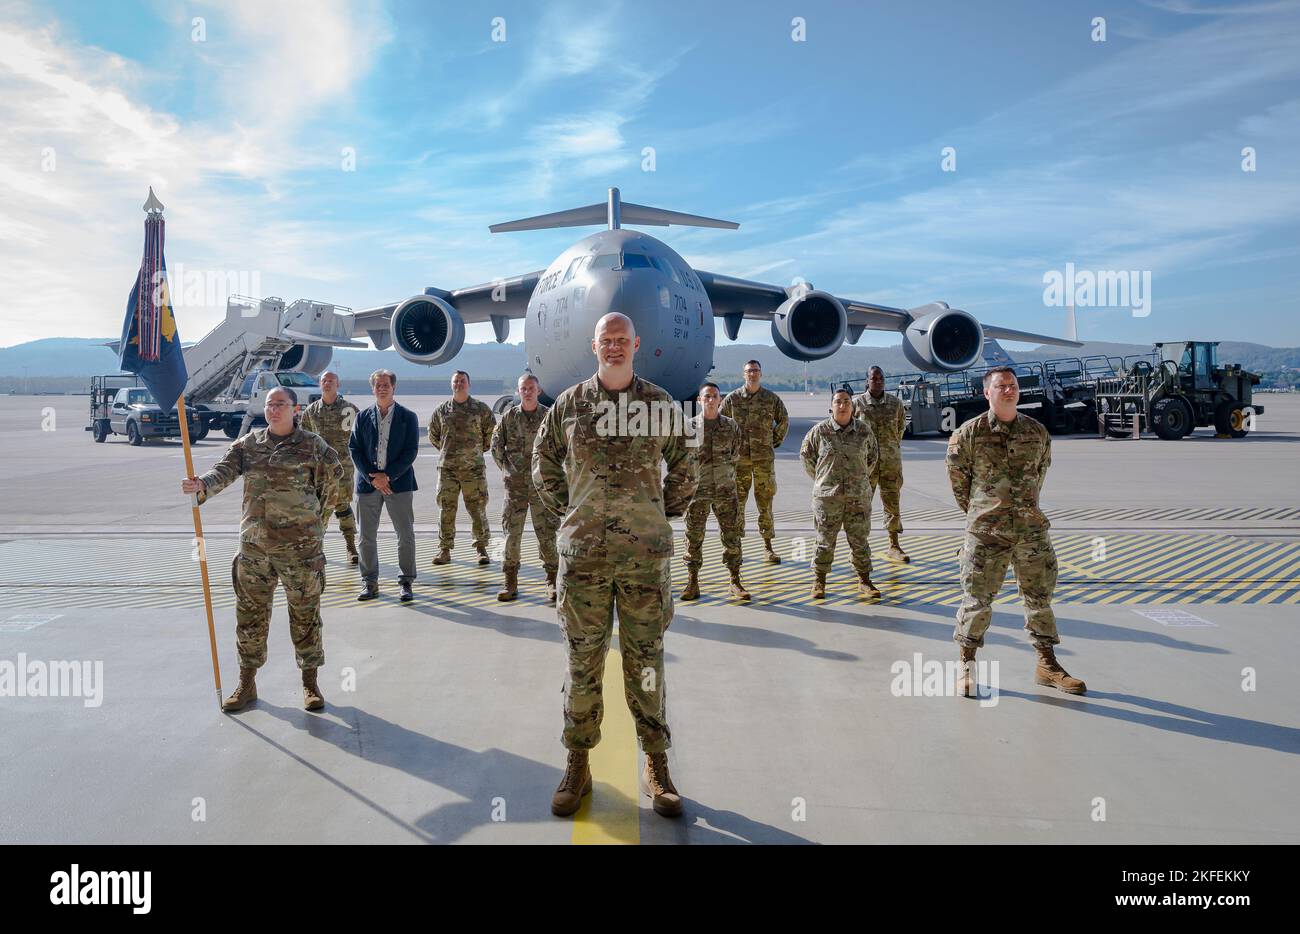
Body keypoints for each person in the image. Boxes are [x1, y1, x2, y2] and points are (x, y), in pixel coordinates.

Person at [534, 312, 697, 819]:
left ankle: (656, 763)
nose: (614, 347)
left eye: (622, 340)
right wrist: (573, 514)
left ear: (636, 344)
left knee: (646, 663)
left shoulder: (659, 405)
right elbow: (542, 461)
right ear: (594, 346)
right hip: (582, 561)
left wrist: (660, 514)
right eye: (606, 340)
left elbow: (687, 462)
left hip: (644, 563)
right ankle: (577, 762)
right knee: (581, 663)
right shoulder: (569, 405)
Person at [181, 386, 344, 712]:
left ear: (295, 409)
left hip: (301, 552)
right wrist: (202, 485)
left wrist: (314, 529)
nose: (274, 410)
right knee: (250, 618)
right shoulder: (249, 444)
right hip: (255, 551)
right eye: (270, 405)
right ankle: (246, 684)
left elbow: (331, 487)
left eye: (281, 404)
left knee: (305, 616)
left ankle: (310, 684)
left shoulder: (313, 447)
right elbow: (223, 471)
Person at [946, 366, 1086, 697]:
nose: (1008, 390)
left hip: (1030, 531)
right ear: (987, 393)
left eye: (1012, 385)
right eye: (1001, 386)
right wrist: (983, 512)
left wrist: (1022, 511)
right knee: (978, 600)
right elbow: (958, 482)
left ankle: (1047, 664)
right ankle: (966, 664)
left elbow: (1039, 474)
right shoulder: (968, 434)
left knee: (1040, 599)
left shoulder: (1037, 433)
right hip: (986, 533)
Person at [799, 387, 881, 600]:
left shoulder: (864, 431)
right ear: (831, 406)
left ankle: (864, 580)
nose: (842, 405)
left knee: (860, 540)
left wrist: (858, 480)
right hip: (828, 499)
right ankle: (819, 581)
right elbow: (807, 458)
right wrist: (823, 481)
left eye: (846, 401)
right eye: (838, 402)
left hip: (858, 497)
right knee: (824, 541)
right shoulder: (819, 431)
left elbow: (872, 458)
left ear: (853, 406)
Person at [349, 369, 421, 602]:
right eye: (378, 385)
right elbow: (354, 449)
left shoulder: (408, 417)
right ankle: (369, 582)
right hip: (367, 485)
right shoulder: (361, 417)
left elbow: (410, 451)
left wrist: (387, 476)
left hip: (398, 484)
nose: (382, 388)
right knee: (366, 536)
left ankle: (406, 582)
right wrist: (373, 479)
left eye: (386, 385)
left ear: (393, 387)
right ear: (373, 388)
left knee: (405, 534)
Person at [491, 373, 559, 603]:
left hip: (542, 489)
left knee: (547, 536)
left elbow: (560, 448)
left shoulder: (548, 417)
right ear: (518, 391)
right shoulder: (509, 417)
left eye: (531, 388)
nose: (527, 392)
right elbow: (496, 447)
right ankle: (510, 582)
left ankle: (552, 581)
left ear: (538, 391)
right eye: (523, 388)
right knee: (511, 536)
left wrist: (550, 474)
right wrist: (508, 471)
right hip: (516, 490)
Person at [681, 382, 749, 601]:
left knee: (732, 536)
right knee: (693, 537)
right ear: (700, 400)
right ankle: (692, 583)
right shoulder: (689, 427)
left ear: (720, 400)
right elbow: (681, 460)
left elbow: (736, 454)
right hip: (697, 492)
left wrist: (724, 475)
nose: (711, 400)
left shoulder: (731, 427)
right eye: (706, 397)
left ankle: (735, 581)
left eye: (714, 396)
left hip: (725, 491)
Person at [720, 360, 788, 564]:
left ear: (761, 373)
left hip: (763, 461)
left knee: (765, 504)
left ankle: (768, 547)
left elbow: (783, 419)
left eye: (756, 370)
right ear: (743, 374)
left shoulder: (770, 399)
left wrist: (773, 441)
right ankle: (736, 547)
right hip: (739, 461)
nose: (752, 374)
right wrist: (728, 447)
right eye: (749, 371)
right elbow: (721, 423)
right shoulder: (732, 399)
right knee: (737, 504)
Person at [427, 371, 496, 566]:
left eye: (462, 381)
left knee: (477, 510)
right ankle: (445, 549)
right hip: (447, 469)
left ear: (469, 384)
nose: (459, 384)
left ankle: (481, 549)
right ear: (451, 385)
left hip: (473, 469)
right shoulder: (441, 410)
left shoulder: (480, 409)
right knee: (446, 510)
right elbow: (434, 435)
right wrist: (449, 452)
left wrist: (473, 453)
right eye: (456, 381)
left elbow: (490, 434)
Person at [299, 370, 361, 564]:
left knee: (342, 507)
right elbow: (304, 439)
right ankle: (316, 548)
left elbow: (360, 437)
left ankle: (351, 546)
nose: (327, 384)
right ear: (320, 384)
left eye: (331, 381)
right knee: (316, 509)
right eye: (324, 381)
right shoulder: (311, 411)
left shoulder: (349, 409)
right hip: (318, 470)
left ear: (338, 385)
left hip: (342, 468)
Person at [853, 366, 910, 563]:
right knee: (862, 505)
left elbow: (900, 428)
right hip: (865, 465)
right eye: (873, 378)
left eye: (881, 378)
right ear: (866, 381)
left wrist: (890, 448)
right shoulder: (857, 404)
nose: (878, 381)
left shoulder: (895, 404)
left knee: (893, 504)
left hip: (891, 463)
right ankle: (860, 546)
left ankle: (894, 545)